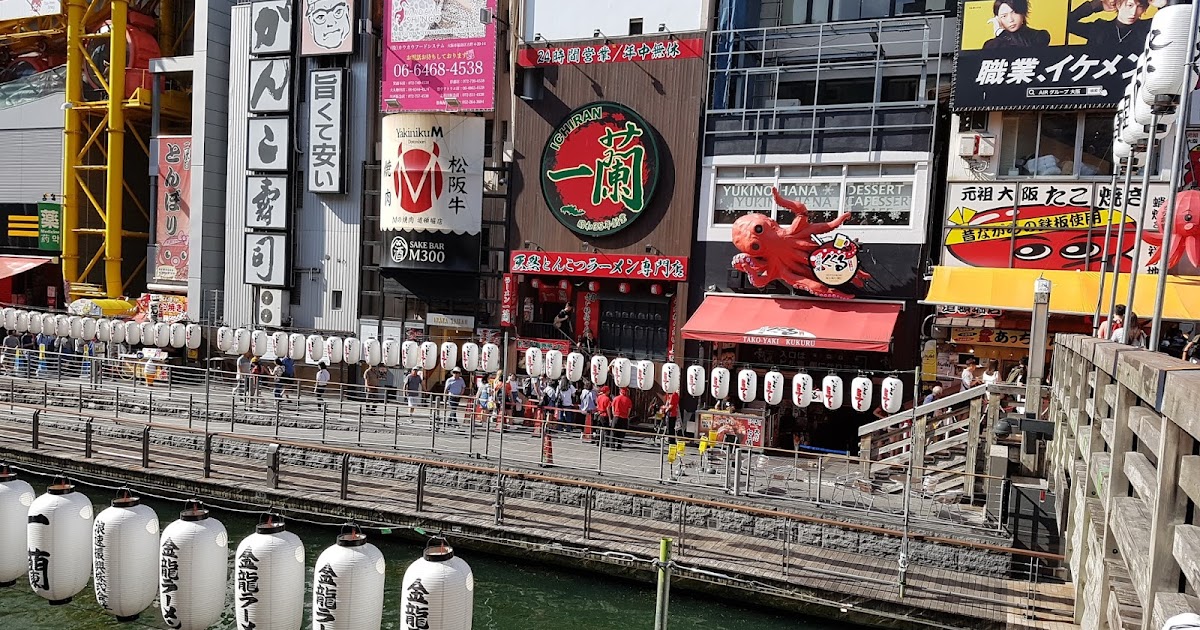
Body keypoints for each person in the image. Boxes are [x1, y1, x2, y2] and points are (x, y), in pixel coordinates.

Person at [1068, 0, 1156, 53]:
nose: (1133, 12)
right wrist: (1095, 5)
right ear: (1118, 4)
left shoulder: (1148, 27)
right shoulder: (1099, 28)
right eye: (1129, 5)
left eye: (1140, 6)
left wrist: (1162, 4)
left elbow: (1169, 21)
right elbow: (1068, 24)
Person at [982, 0, 1050, 49]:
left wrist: (1002, 33)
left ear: (1023, 12)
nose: (1011, 20)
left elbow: (1024, 50)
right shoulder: (990, 45)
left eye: (1014, 13)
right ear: (998, 19)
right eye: (1004, 16)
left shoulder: (1040, 36)